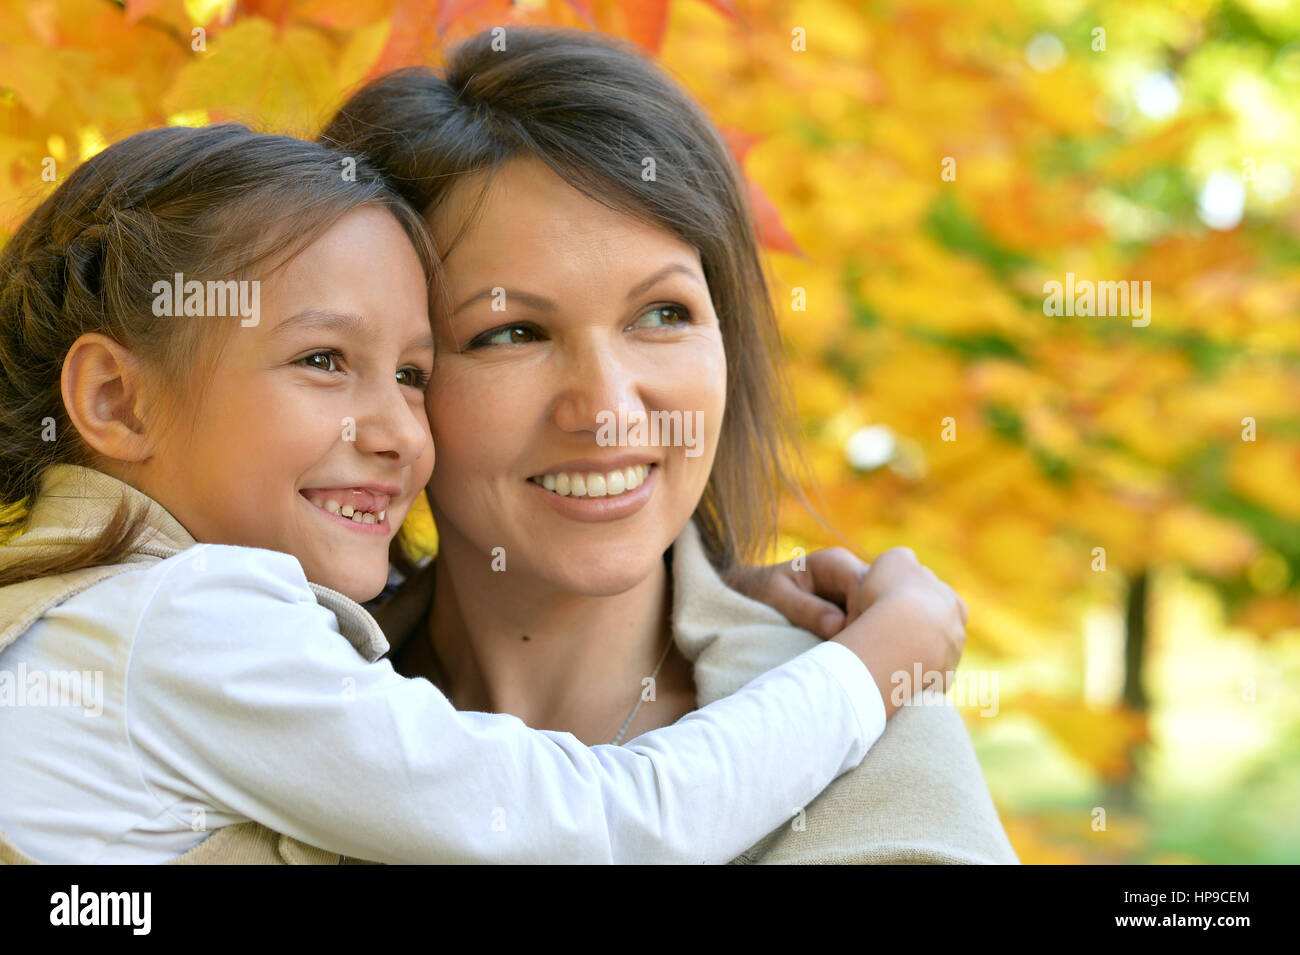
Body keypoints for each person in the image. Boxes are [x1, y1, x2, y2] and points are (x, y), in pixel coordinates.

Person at [0, 123, 966, 864]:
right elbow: (603, 824)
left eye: (412, 375)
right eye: (324, 359)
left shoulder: (89, 612)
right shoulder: (195, 618)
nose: (394, 432)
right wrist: (873, 665)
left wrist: (720, 611)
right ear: (117, 399)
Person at [320, 25, 1019, 863]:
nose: (608, 410)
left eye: (663, 314)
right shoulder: (263, 689)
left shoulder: (870, 715)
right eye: (511, 332)